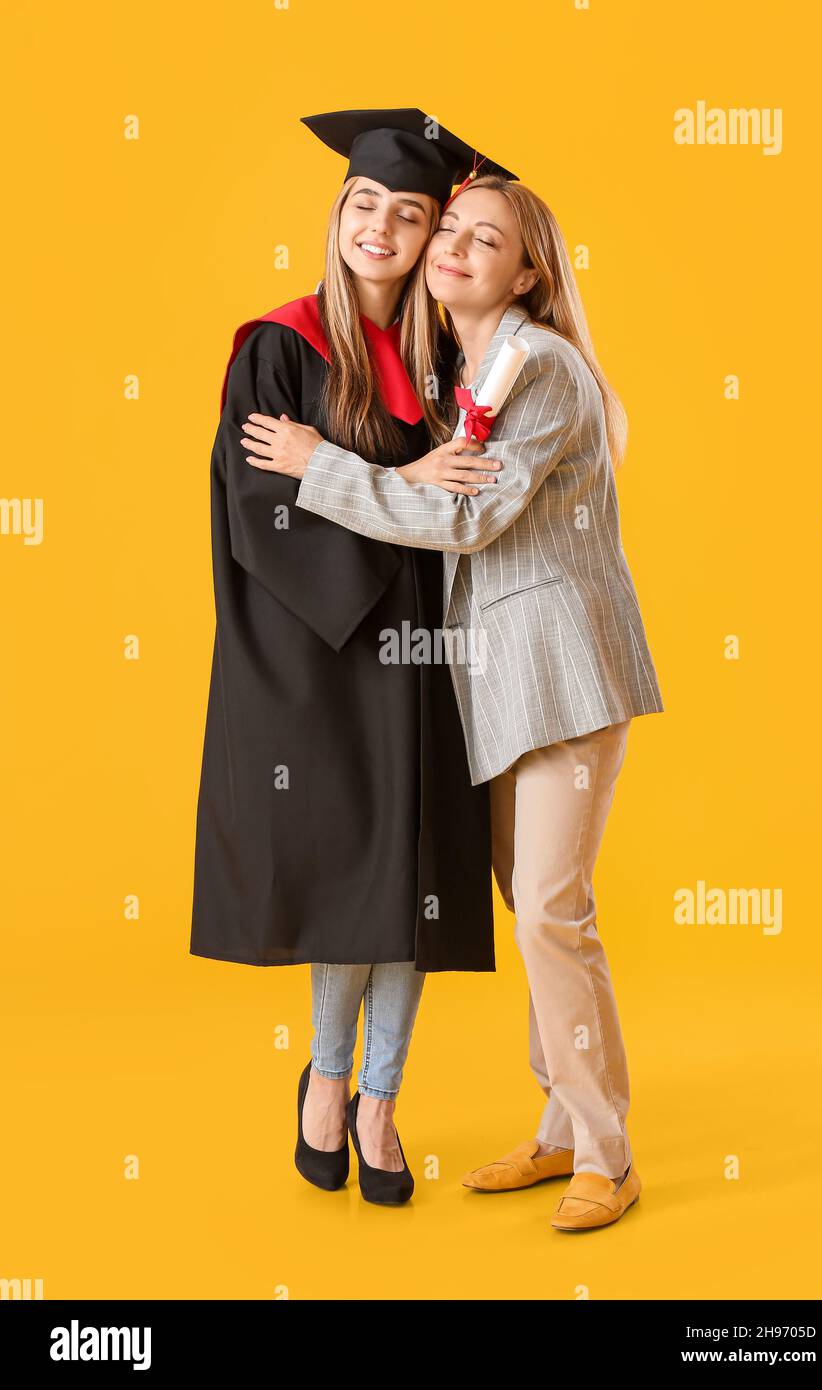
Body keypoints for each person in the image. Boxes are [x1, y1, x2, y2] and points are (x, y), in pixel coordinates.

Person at [241, 172, 665, 1230]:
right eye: (454, 231)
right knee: (540, 915)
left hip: (562, 676)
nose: (454, 248)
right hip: (496, 688)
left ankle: (605, 1154)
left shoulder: (540, 369)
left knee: (552, 917)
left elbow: (463, 525)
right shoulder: (459, 369)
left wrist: (315, 465)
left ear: (527, 272)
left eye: (488, 240)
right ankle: (562, 1126)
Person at [190, 111, 516, 1206]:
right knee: (350, 883)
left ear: (432, 237)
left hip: (423, 653)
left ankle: (379, 1101)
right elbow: (262, 514)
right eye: (366, 204)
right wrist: (402, 488)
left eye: (409, 213)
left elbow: (464, 494)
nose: (381, 226)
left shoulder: (441, 363)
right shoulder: (281, 347)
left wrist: (364, 474)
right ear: (339, 213)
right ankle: (327, 1085)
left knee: (412, 882)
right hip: (319, 659)